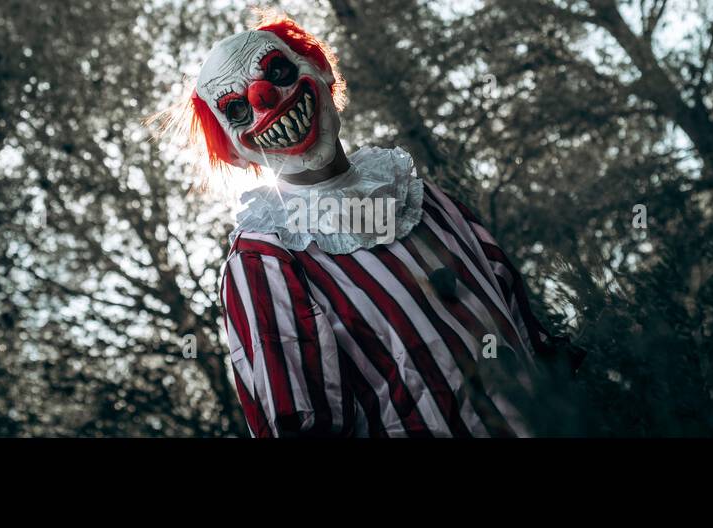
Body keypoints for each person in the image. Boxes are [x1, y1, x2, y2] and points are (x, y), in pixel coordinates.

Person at [176, 12, 584, 437]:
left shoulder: (424, 199)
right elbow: (301, 426)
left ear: (322, 69)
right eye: (236, 108)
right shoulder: (263, 261)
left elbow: (529, 335)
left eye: (276, 70)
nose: (264, 97)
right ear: (232, 148)